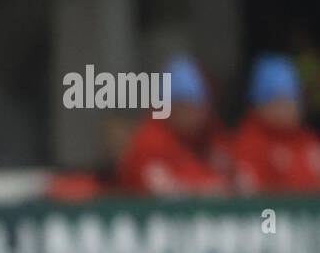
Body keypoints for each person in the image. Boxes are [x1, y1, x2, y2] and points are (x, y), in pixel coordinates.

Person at [115, 55, 234, 195]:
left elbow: (236, 178)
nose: (197, 116)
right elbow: (163, 192)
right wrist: (210, 185)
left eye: (200, 107)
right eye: (187, 107)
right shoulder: (149, 141)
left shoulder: (208, 136)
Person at [228, 53, 320, 192]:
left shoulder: (309, 140)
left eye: (293, 99)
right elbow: (251, 196)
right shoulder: (248, 142)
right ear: (259, 104)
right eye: (278, 100)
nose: (288, 108)